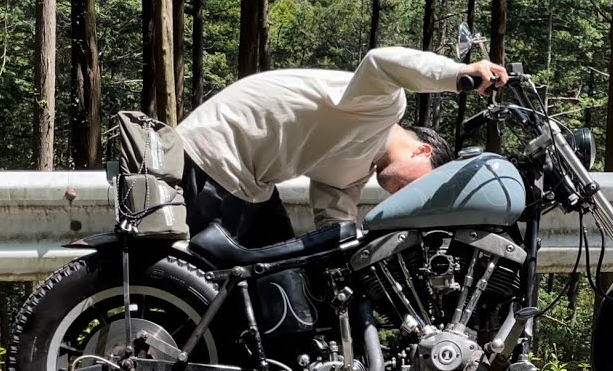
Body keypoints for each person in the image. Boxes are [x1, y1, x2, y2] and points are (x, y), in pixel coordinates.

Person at [177, 47, 508, 246]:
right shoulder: (383, 107)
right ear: (422, 150)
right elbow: (382, 62)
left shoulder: (350, 179)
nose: (405, 198)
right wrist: (457, 73)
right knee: (212, 287)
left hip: (251, 184)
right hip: (216, 152)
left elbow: (335, 226)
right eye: (422, 186)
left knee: (283, 280)